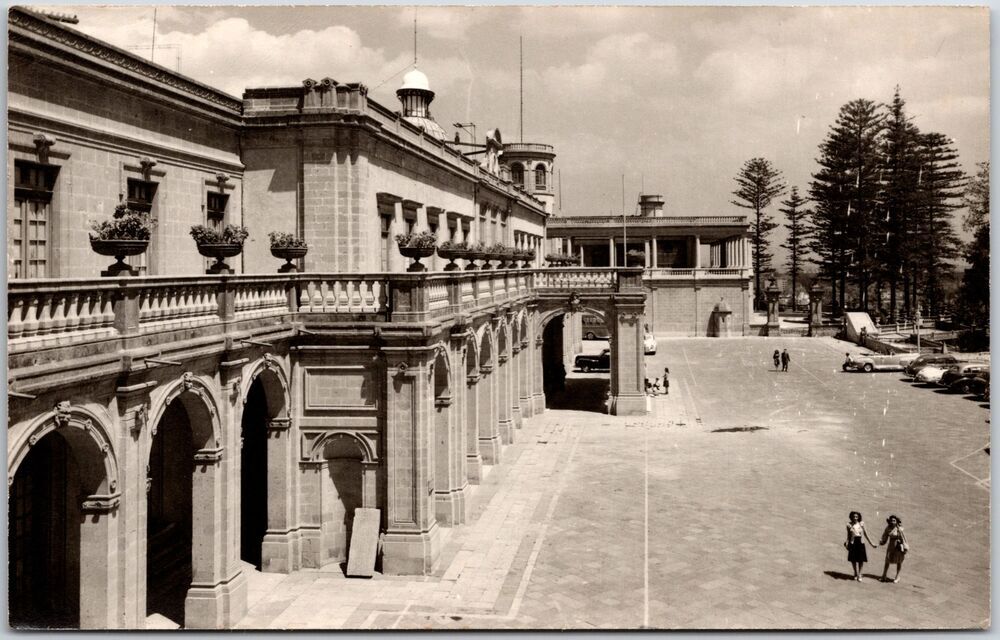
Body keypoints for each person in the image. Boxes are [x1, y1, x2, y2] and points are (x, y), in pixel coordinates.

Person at [845, 511, 879, 581]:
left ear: (859, 517)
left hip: (860, 542)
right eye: (854, 516)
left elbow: (866, 534)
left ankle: (859, 574)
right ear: (851, 517)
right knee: (853, 559)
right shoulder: (849, 525)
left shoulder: (861, 524)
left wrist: (871, 543)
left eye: (856, 517)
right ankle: (855, 572)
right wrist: (847, 542)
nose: (855, 518)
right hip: (853, 542)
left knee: (861, 559)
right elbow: (848, 535)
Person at [878, 515, 908, 583]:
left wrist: (905, 547)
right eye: (891, 520)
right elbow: (884, 536)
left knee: (899, 561)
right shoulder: (888, 528)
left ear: (897, 521)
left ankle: (897, 576)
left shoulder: (899, 529)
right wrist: (882, 542)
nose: (892, 522)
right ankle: (884, 575)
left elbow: (904, 538)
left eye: (894, 521)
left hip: (898, 547)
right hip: (891, 546)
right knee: (887, 561)